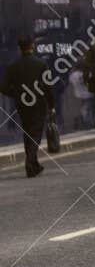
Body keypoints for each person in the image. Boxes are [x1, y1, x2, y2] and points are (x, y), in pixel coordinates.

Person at [1, 36, 54, 178]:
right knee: (36, 133)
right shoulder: (41, 64)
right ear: (33, 46)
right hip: (38, 103)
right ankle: (30, 163)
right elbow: (48, 87)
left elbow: (4, 87)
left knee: (28, 132)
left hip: (22, 103)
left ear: (19, 48)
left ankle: (34, 164)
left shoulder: (12, 66)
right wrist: (52, 105)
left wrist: (17, 94)